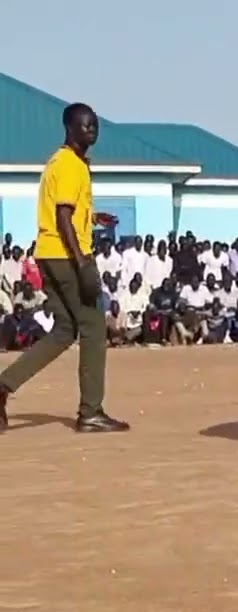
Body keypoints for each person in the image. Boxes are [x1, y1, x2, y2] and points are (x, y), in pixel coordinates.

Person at [0, 103, 129, 433]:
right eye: (85, 125)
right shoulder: (71, 164)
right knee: (94, 328)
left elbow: (67, 211)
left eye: (95, 125)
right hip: (66, 257)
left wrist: (93, 216)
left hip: (48, 254)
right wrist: (83, 262)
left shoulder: (61, 162)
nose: (91, 130)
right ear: (69, 128)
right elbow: (62, 218)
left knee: (63, 331)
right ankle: (91, 412)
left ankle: (3, 386)